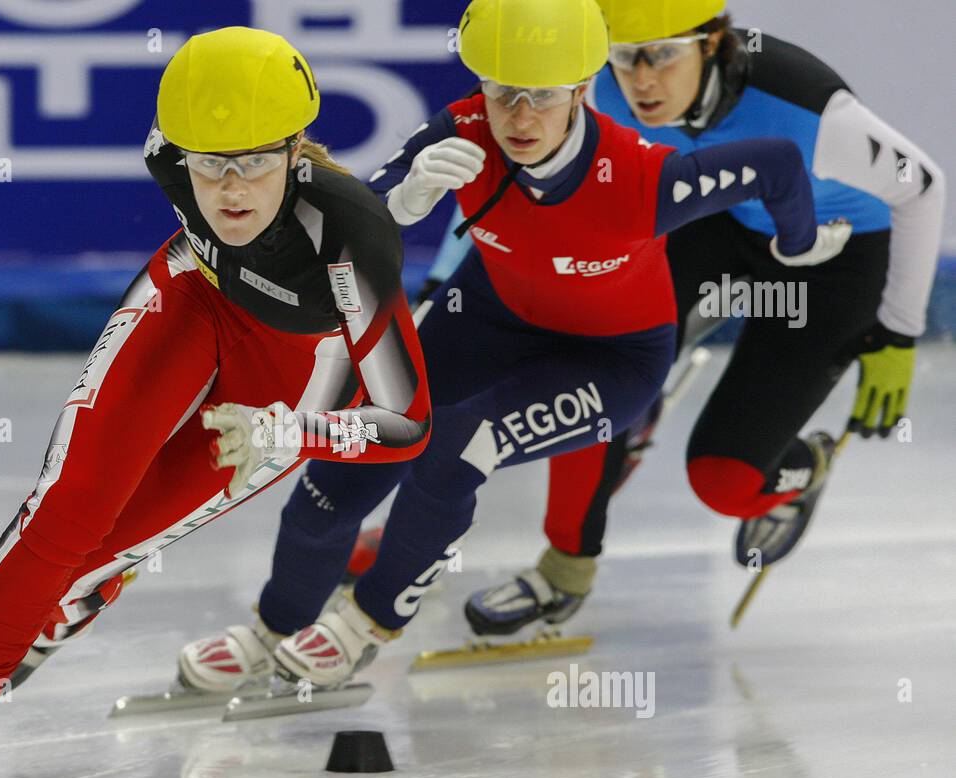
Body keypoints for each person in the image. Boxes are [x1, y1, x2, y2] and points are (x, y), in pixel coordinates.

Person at [0, 26, 431, 778]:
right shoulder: (165, 155)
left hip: (296, 375)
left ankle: (74, 596)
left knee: (100, 553)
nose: (230, 189)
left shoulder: (348, 233)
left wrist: (292, 431)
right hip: (192, 298)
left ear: (294, 149)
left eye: (253, 163)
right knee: (65, 513)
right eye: (209, 165)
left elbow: (408, 421)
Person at [175, 0, 848, 695]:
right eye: (503, 94)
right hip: (486, 321)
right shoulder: (464, 130)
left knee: (457, 446)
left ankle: (365, 625)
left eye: (544, 98)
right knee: (349, 451)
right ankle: (276, 626)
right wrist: (400, 202)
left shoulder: (644, 180)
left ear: (584, 91)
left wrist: (795, 247)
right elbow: (349, 212)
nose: (520, 119)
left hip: (609, 361)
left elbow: (776, 163)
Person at [465, 0, 945, 636]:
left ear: (713, 42)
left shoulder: (809, 110)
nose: (641, 81)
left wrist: (898, 331)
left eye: (662, 55)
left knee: (724, 483)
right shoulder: (597, 90)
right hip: (722, 222)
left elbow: (924, 186)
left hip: (833, 256)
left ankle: (805, 467)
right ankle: (564, 569)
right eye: (624, 58)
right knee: (590, 375)